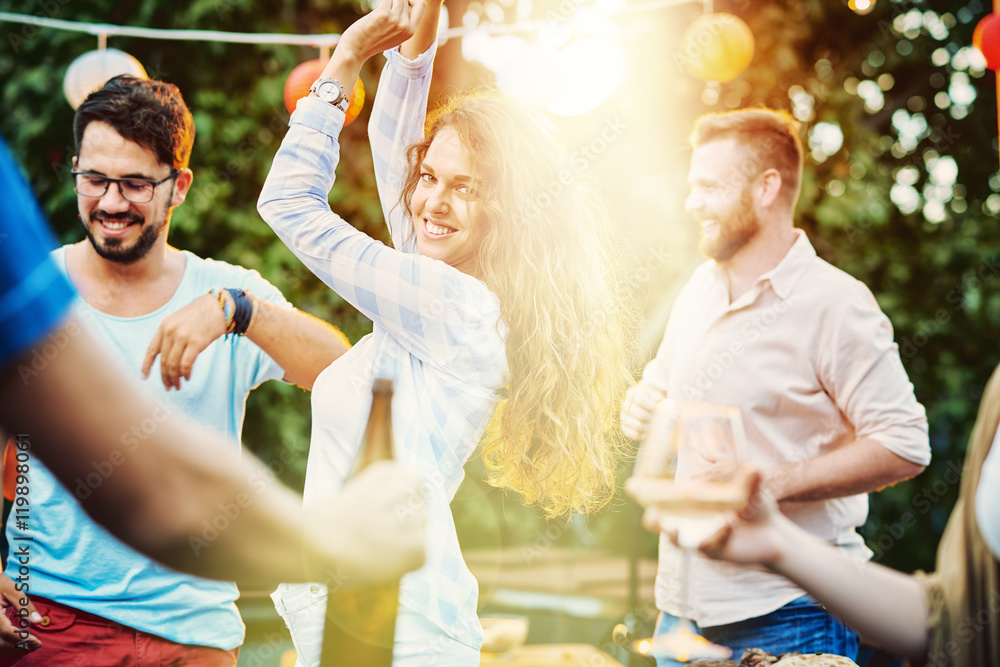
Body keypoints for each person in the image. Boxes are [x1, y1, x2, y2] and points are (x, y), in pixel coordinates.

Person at [258, 0, 634, 664]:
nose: (432, 200)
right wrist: (418, 27)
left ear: (508, 211)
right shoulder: (449, 283)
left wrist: (344, 61)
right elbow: (393, 137)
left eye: (466, 188)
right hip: (382, 614)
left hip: (393, 627)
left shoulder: (454, 306)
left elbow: (287, 202)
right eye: (429, 176)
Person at [0, 131, 427, 657]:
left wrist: (239, 310)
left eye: (134, 184)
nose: (110, 201)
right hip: (54, 622)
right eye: (94, 179)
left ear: (179, 186)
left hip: (197, 636)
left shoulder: (226, 288)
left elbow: (340, 372)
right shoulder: (34, 286)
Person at [620, 108, 931, 663]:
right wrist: (641, 404)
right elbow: (662, 391)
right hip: (680, 613)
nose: (692, 203)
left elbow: (905, 442)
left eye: (709, 187)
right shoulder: (700, 288)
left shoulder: (836, 303)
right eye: (693, 185)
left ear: (766, 188)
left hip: (794, 614)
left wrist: (772, 483)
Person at [672, 361, 1000, 667]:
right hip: (695, 606)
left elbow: (904, 443)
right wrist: (774, 540)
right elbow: (950, 622)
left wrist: (773, 484)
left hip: (787, 613)